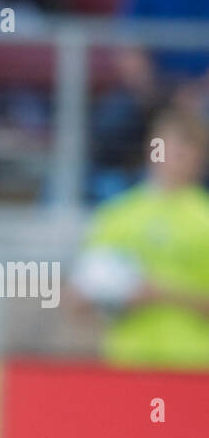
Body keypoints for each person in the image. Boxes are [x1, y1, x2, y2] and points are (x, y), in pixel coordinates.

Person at [71, 107, 209, 369]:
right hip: (128, 366)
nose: (177, 158)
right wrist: (98, 295)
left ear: (200, 158)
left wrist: (162, 294)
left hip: (196, 370)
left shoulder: (205, 219)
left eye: (187, 150)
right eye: (170, 147)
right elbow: (78, 299)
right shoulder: (115, 216)